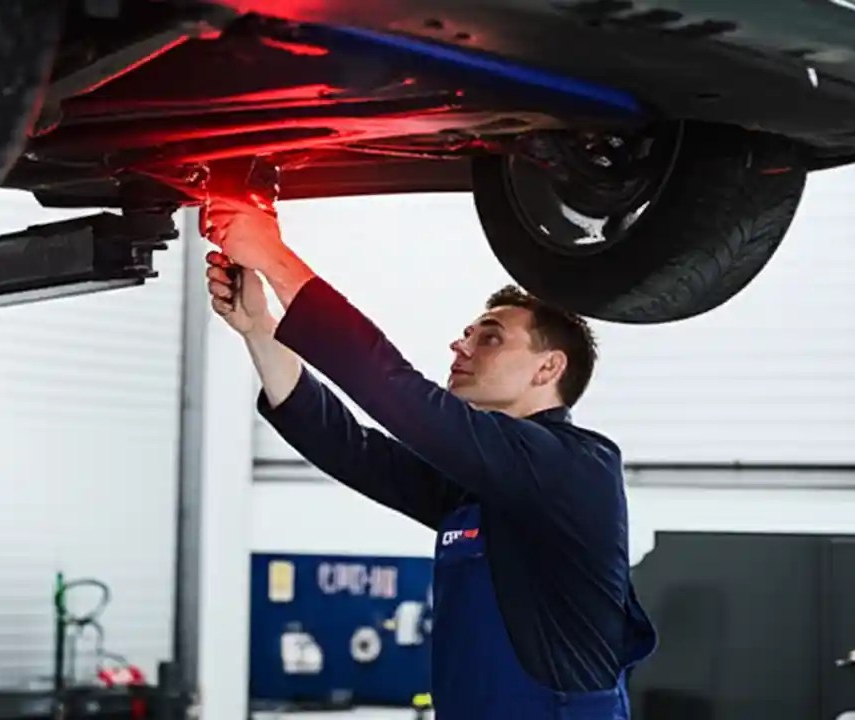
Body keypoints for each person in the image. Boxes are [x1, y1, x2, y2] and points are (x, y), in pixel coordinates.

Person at [201, 196, 658, 720]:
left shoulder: (575, 469)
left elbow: (398, 394)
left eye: (490, 337)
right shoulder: (478, 490)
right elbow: (349, 448)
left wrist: (274, 257)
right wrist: (259, 329)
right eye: (466, 335)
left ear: (548, 368)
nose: (460, 347)